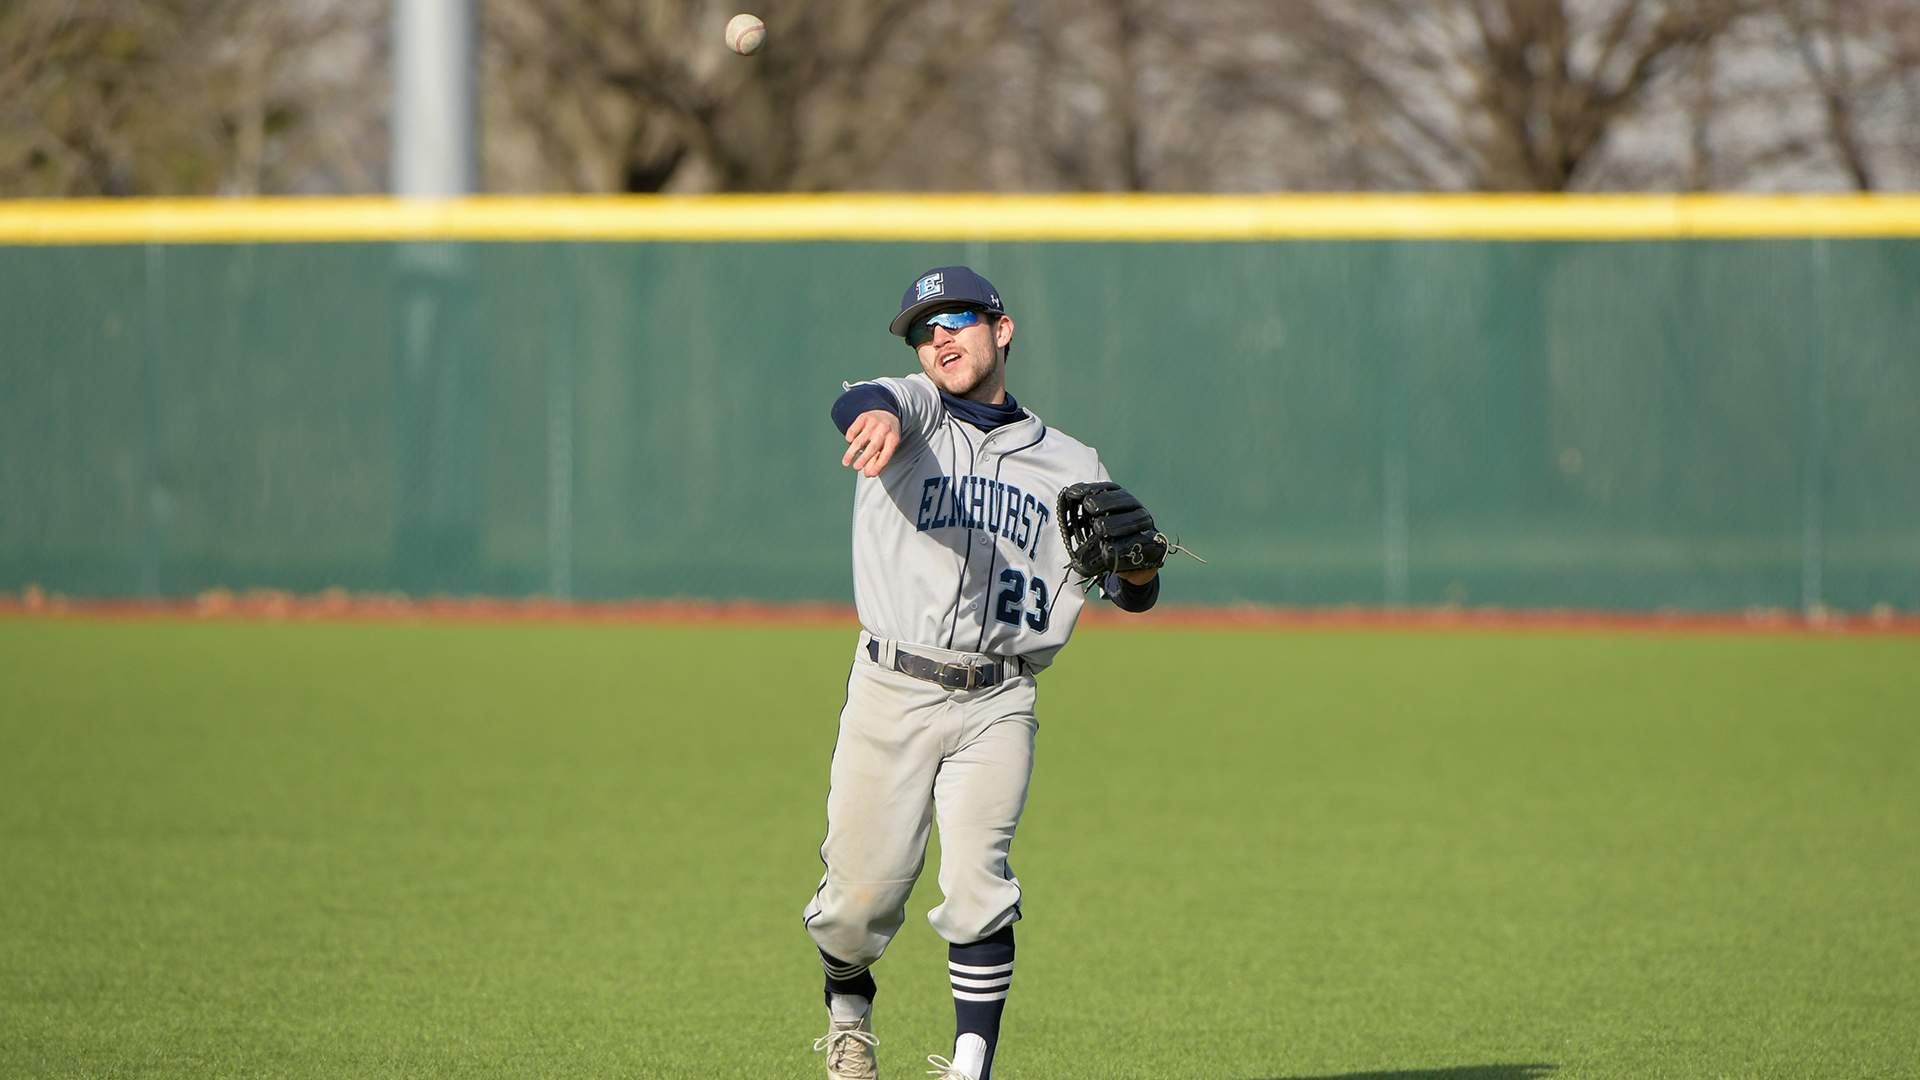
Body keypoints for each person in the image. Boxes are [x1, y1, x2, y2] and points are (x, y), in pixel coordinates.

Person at [804, 266, 1163, 1080]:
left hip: (999, 698)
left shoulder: (1071, 462)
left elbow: (1130, 591)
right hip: (891, 690)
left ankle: (971, 1067)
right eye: (925, 330)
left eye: (957, 320)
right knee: (857, 908)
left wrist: (1138, 575)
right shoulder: (917, 411)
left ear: (1001, 329)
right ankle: (849, 1009)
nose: (941, 339)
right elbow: (864, 399)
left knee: (977, 881)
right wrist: (876, 415)